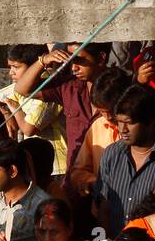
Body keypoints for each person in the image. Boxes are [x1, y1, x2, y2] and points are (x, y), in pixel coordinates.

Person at [93, 82, 155, 236]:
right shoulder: (111, 154)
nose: (122, 130)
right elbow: (104, 208)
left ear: (150, 122)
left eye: (129, 123)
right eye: (119, 122)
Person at [12, 42, 108, 175]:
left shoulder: (119, 86)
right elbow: (22, 89)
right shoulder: (68, 86)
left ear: (101, 58)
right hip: (75, 177)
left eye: (80, 60)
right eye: (71, 61)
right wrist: (43, 61)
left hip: (109, 176)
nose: (74, 68)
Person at [0, 43, 67, 175]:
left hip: (57, 167)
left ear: (34, 67)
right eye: (10, 67)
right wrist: (6, 115)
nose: (11, 72)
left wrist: (16, 109)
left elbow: (28, 129)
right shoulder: (18, 87)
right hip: (32, 164)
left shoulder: (49, 89)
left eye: (16, 67)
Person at [68, 66, 129, 197]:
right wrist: (93, 182)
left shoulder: (153, 127)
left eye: (111, 111)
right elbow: (78, 171)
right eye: (102, 111)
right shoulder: (97, 127)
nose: (107, 117)